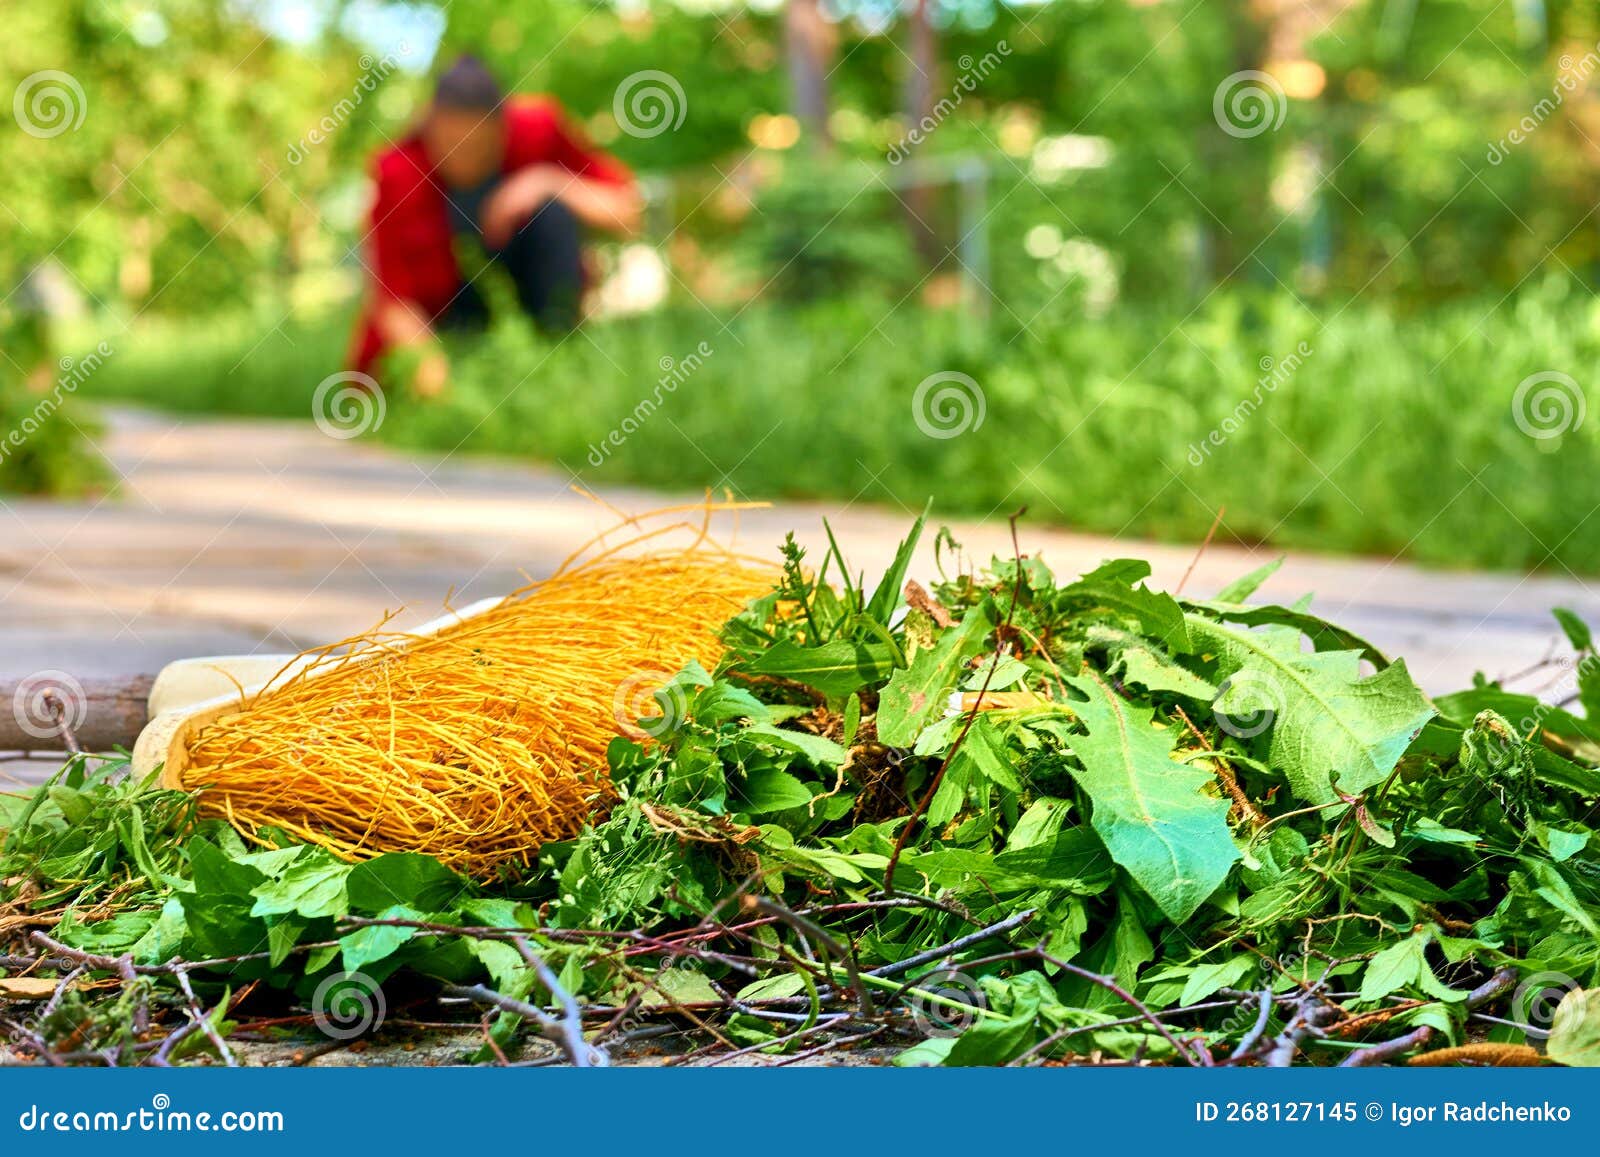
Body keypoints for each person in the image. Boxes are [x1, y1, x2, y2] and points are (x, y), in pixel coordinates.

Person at [347, 55, 641, 395]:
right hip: (441, 321)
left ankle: (555, 364)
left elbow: (629, 212)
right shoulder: (396, 170)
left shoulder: (539, 129)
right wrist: (431, 372)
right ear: (429, 127)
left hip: (518, 301)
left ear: (503, 128)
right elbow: (392, 298)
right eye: (449, 146)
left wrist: (548, 180)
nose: (462, 161)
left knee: (552, 213)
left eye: (476, 148)